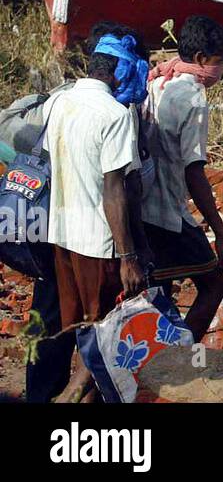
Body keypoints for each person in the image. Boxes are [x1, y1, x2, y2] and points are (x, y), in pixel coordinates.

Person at [43, 24, 150, 402]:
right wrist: (129, 256)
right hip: (97, 243)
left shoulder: (59, 102)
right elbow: (115, 189)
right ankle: (71, 396)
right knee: (105, 332)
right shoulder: (115, 115)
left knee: (82, 331)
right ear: (120, 71)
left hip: (61, 235)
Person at [139, 15, 223, 338]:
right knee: (213, 286)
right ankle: (178, 358)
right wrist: (221, 234)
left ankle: (155, 364)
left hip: (141, 208)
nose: (220, 70)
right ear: (200, 60)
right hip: (169, 213)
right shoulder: (194, 98)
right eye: (219, 62)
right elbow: (193, 172)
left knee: (157, 294)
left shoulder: (158, 82)